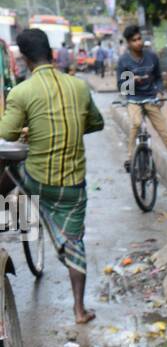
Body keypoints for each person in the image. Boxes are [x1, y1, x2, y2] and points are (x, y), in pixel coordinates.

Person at [0, 27, 104, 324]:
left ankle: (3, 205)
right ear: (52, 53)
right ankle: (80, 310)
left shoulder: (21, 92)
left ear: (24, 59)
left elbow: (5, 134)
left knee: (10, 168)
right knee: (75, 243)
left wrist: (28, 129)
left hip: (37, 179)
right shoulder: (80, 87)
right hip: (72, 187)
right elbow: (96, 123)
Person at [116, 22, 167, 170]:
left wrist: (159, 91)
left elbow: (158, 77)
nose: (138, 42)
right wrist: (132, 80)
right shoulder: (124, 61)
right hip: (134, 99)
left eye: (139, 38)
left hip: (151, 99)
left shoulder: (151, 56)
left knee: (166, 135)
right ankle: (131, 157)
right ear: (128, 43)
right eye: (134, 40)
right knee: (136, 124)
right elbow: (122, 87)